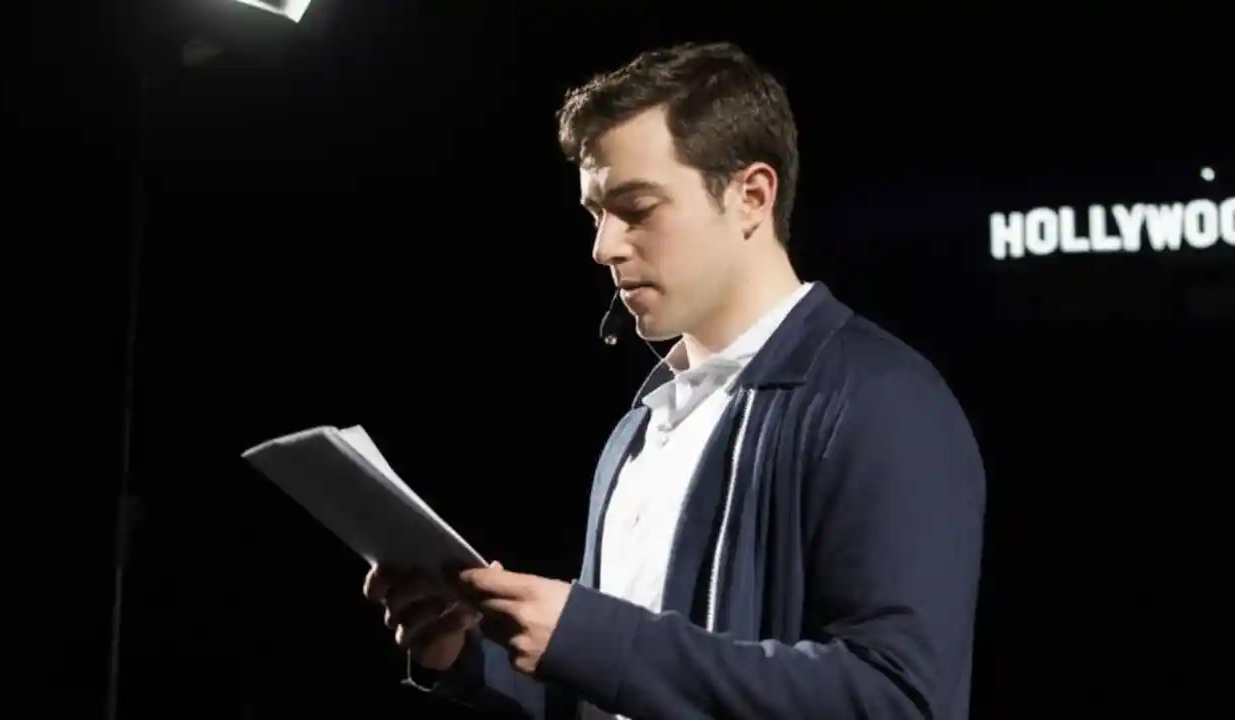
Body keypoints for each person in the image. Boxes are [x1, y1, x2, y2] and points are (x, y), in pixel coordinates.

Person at [364, 40, 986, 719]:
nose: (604, 247)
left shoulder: (880, 398)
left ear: (752, 195)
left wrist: (592, 637)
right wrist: (466, 654)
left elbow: (899, 699)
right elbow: (617, 698)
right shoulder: (639, 431)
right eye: (595, 213)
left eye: (636, 207)